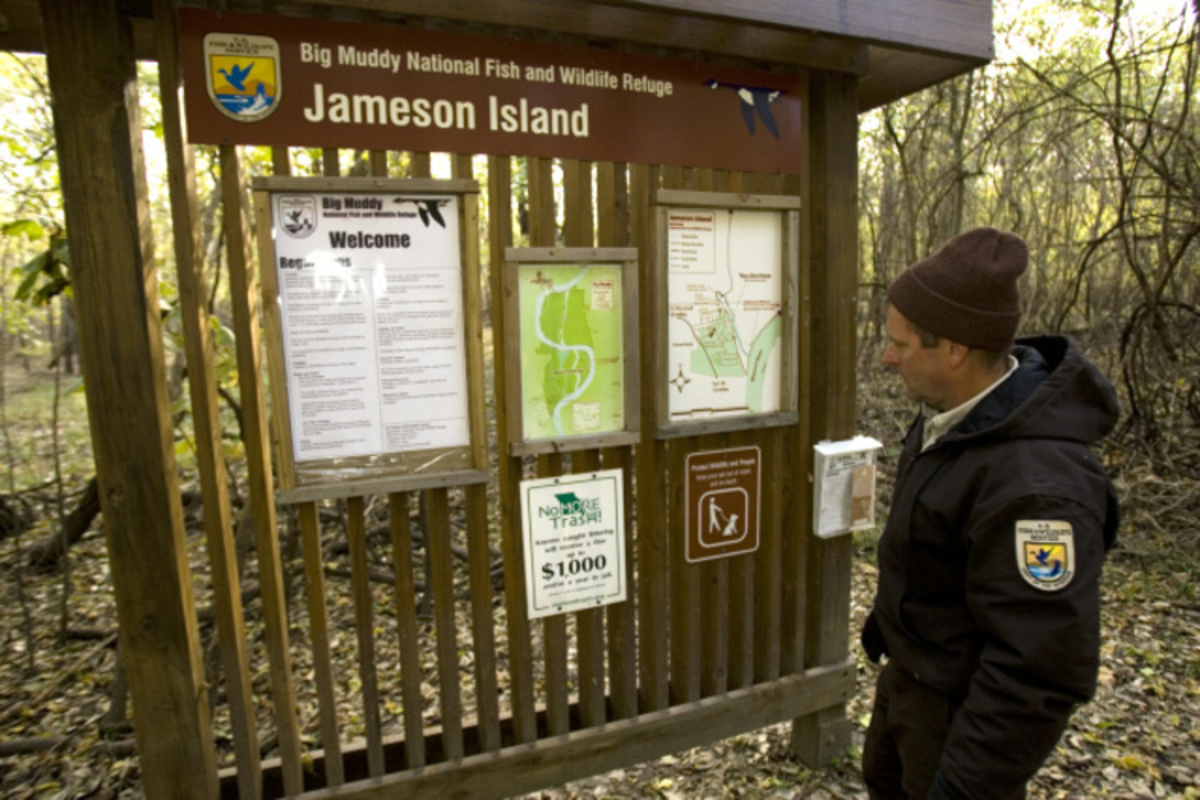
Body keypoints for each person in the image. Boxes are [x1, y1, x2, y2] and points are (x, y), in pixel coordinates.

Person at [861, 227, 1120, 800]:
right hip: (911, 688)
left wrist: (964, 786)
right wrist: (895, 622)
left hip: (963, 731)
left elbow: (1039, 669)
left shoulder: (1037, 490)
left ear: (953, 349)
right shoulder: (957, 417)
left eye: (900, 344)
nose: (886, 356)